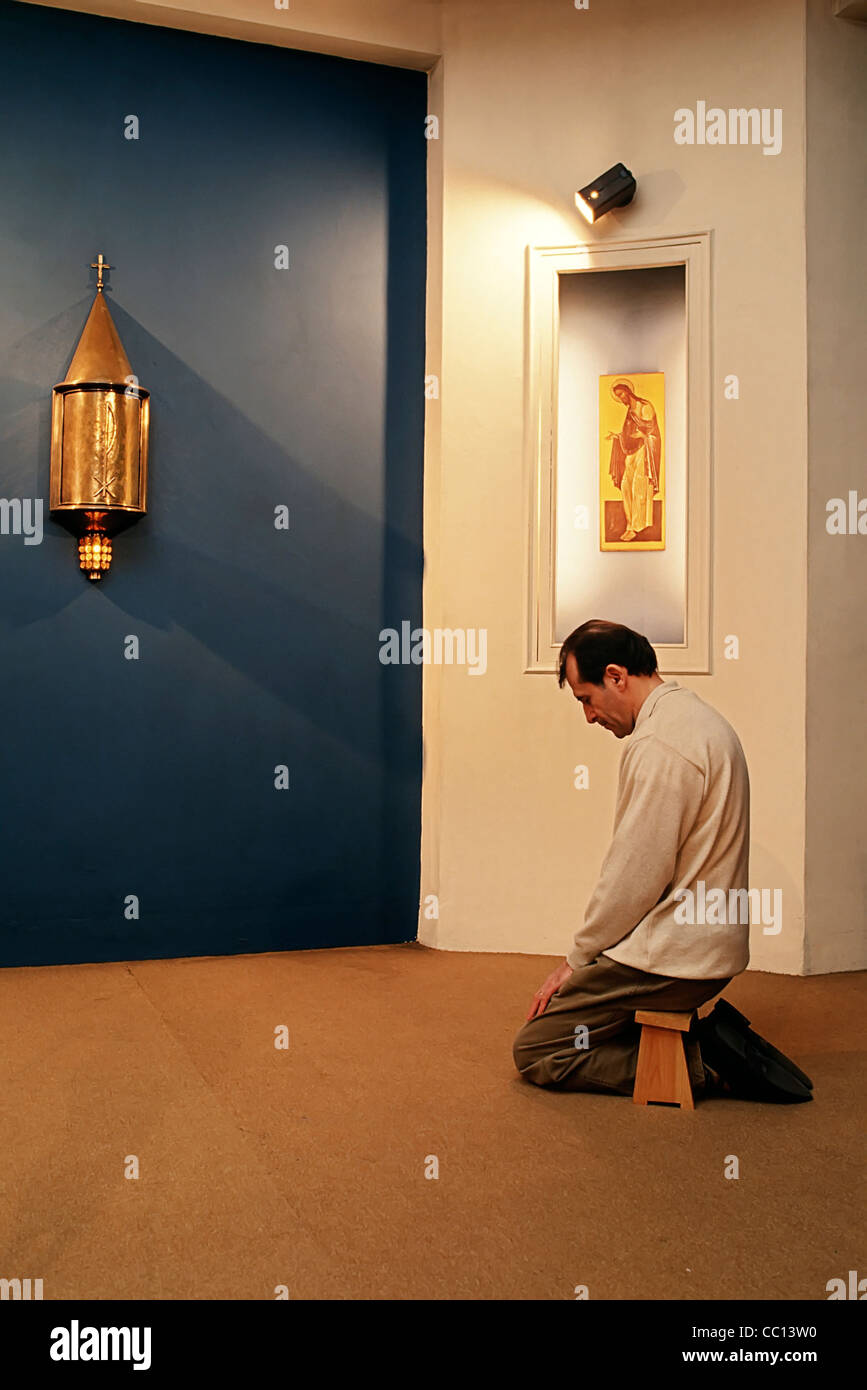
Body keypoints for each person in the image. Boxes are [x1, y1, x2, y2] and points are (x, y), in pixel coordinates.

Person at [511, 619, 812, 1102]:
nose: (588, 716)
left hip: (674, 960)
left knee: (539, 1047)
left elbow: (633, 879)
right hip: (709, 951)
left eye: (586, 699)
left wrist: (577, 960)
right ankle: (714, 1042)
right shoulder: (699, 719)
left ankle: (706, 1062)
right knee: (579, 1014)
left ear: (616, 675)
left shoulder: (658, 745)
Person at [606, 379, 661, 541]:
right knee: (625, 485)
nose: (622, 399)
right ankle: (630, 523)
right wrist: (617, 437)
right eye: (618, 396)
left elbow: (653, 432)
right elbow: (628, 433)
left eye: (622, 394)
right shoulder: (630, 411)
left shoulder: (645, 407)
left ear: (628, 392)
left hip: (644, 451)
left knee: (639, 486)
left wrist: (644, 435)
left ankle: (636, 526)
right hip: (631, 452)